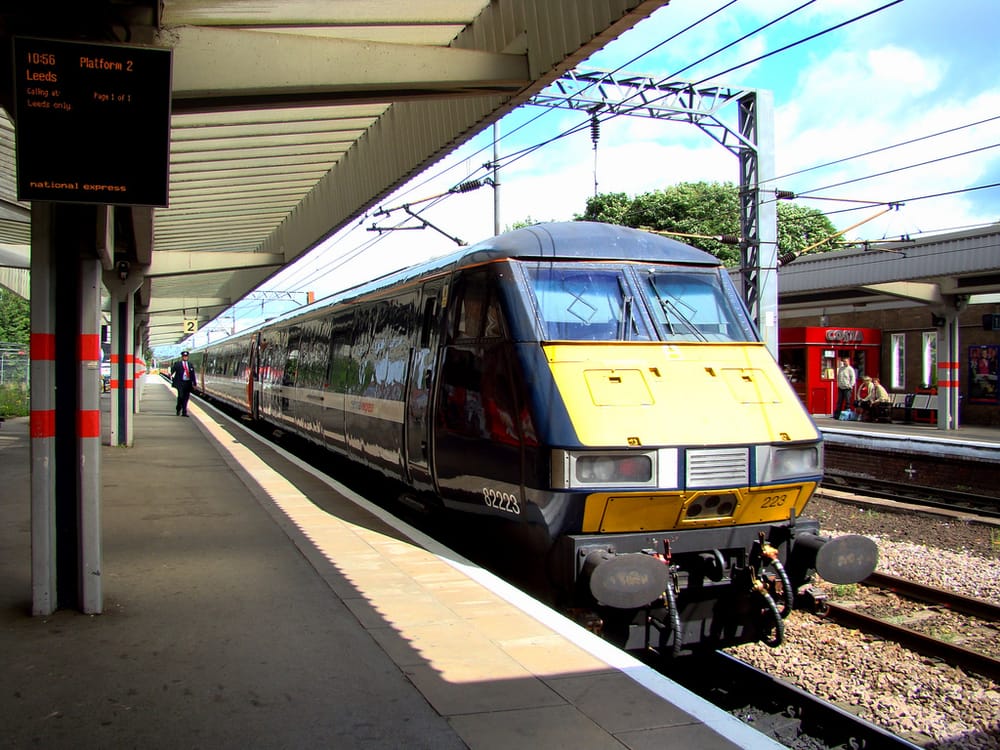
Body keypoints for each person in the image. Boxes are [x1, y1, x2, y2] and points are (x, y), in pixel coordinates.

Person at [170, 351, 197, 416]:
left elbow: (193, 375)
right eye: (184, 356)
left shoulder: (190, 365)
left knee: (186, 398)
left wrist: (194, 383)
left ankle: (184, 412)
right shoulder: (177, 364)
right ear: (182, 357)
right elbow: (172, 371)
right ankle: (178, 408)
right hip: (180, 383)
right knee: (180, 397)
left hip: (188, 383)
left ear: (187, 357)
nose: (185, 357)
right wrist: (172, 377)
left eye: (186, 356)